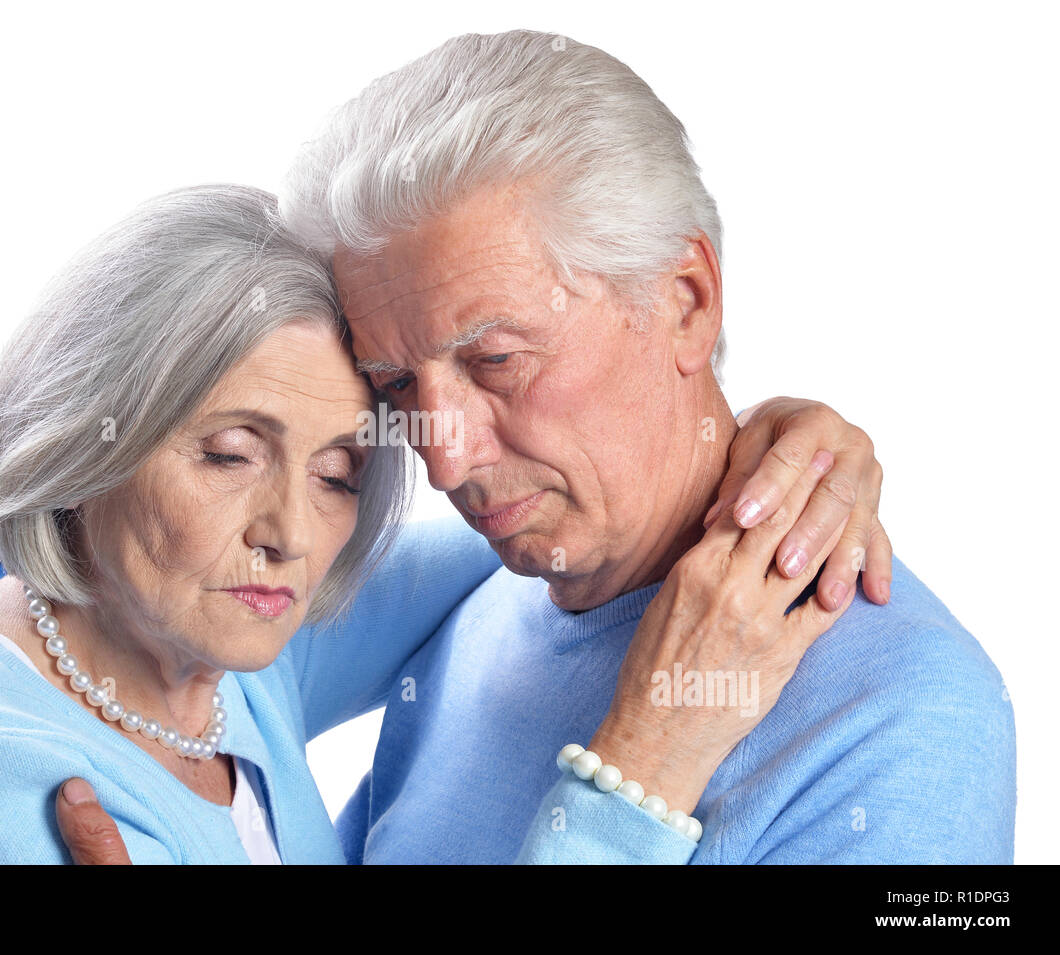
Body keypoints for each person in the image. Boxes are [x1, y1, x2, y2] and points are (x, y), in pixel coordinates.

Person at [56, 31, 1013, 864]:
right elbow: (78, 609)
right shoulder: (483, 592)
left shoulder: (910, 718)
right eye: (396, 385)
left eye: (498, 358)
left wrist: (640, 760)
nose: (445, 460)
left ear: (684, 301)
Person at [0, 183, 887, 864]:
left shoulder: (214, 643)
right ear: (84, 441)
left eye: (337, 471)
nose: (291, 534)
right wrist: (643, 763)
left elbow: (539, 515)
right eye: (228, 453)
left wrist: (754, 445)